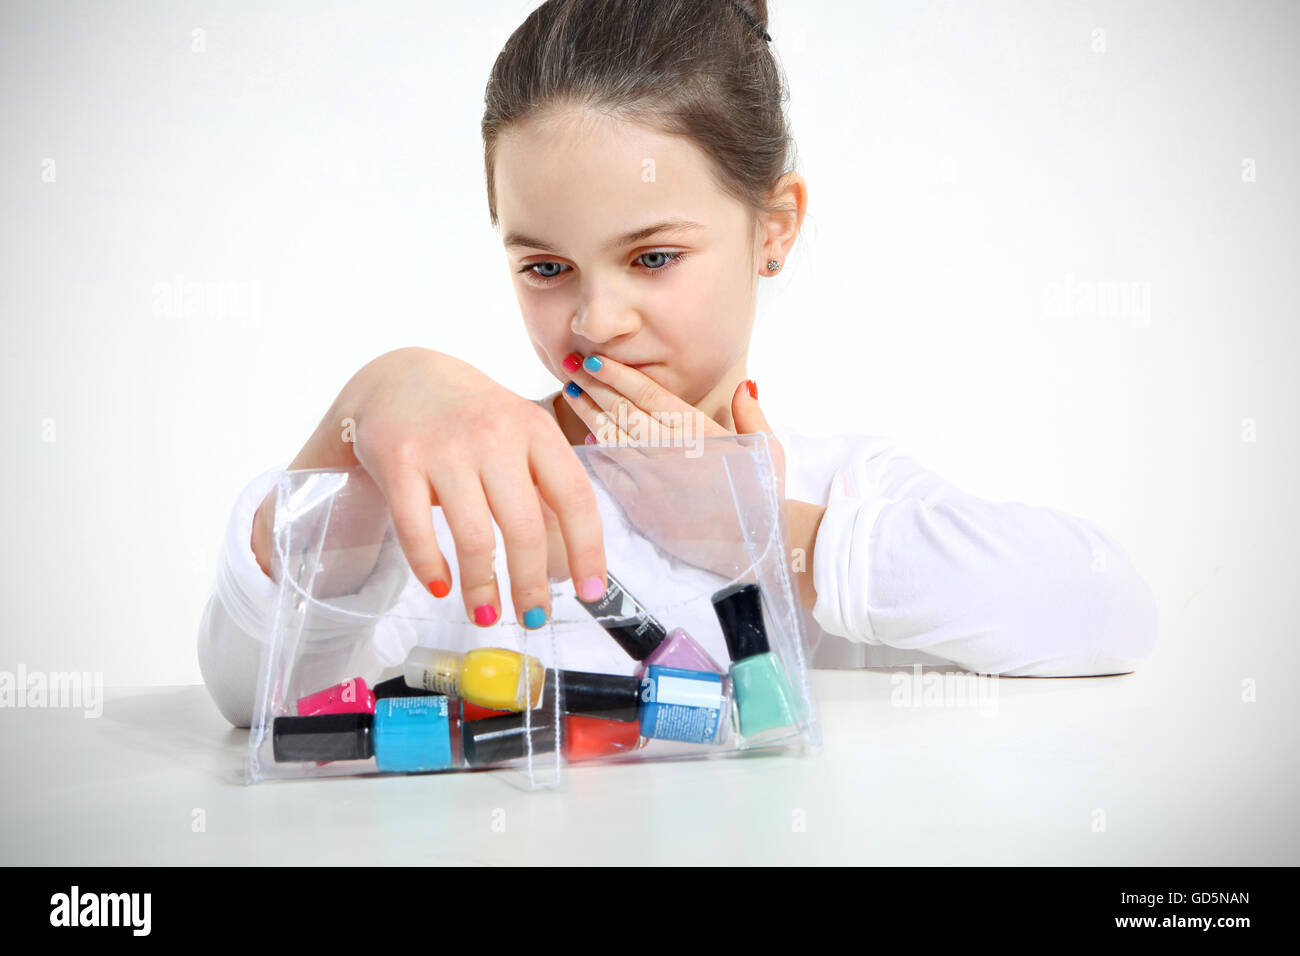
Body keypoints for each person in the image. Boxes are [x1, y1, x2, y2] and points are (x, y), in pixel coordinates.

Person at [198, 0, 1157, 729]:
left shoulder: (835, 487)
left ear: (772, 228)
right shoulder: (463, 498)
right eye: (545, 267)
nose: (596, 320)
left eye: (653, 257)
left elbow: (1104, 607)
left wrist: (768, 536)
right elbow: (253, 700)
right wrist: (363, 418)